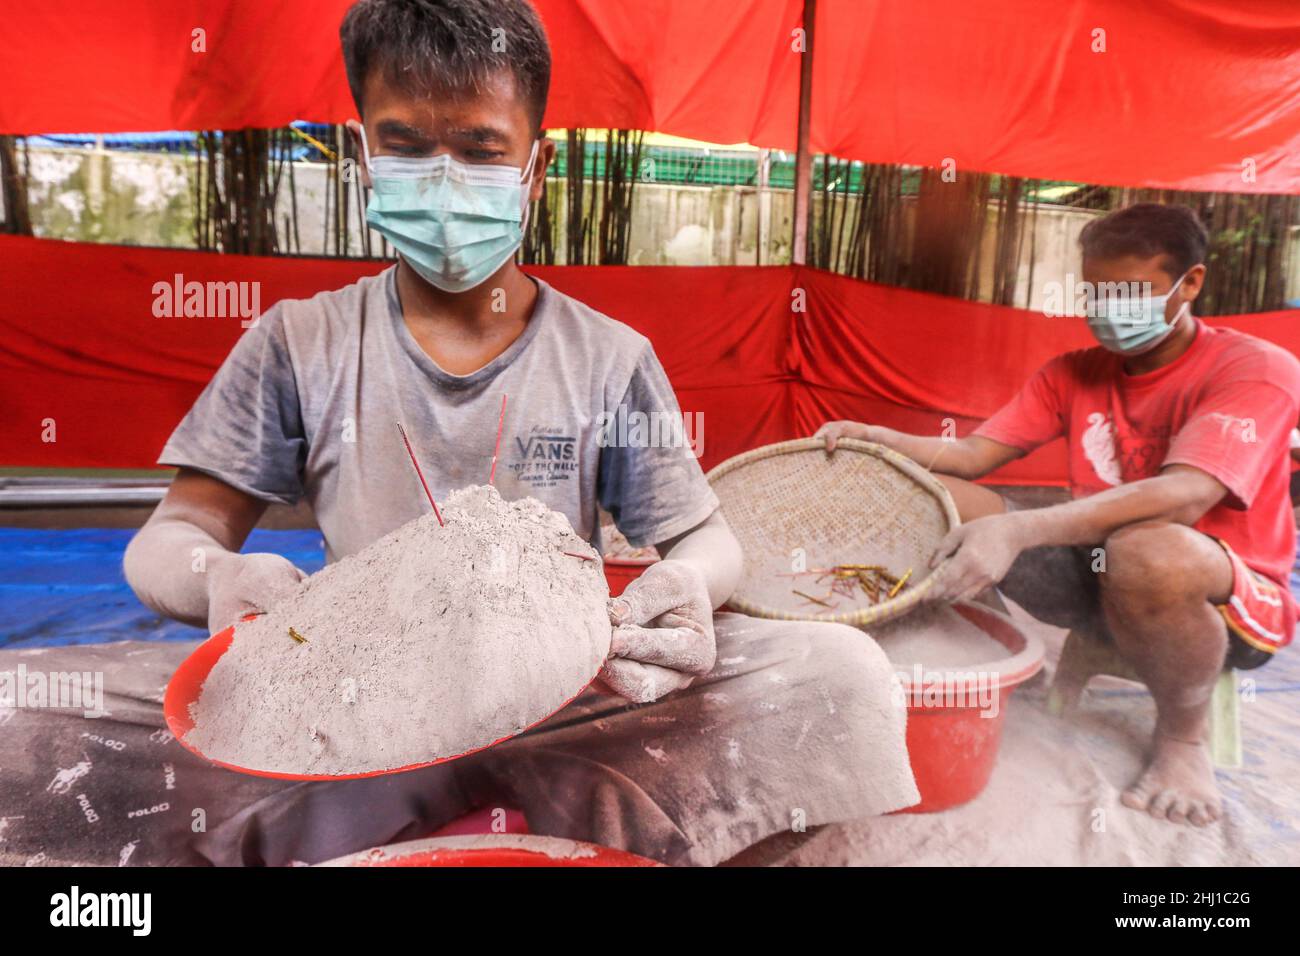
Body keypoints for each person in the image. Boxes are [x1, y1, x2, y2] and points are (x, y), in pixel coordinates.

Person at [117, 0, 916, 866]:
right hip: (361, 702)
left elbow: (704, 535)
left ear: (536, 169)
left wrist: (689, 579)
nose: (445, 180)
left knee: (842, 676)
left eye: (480, 149)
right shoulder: (297, 343)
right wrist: (217, 575)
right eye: (406, 146)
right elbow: (172, 534)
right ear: (362, 155)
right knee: (50, 715)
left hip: (573, 690)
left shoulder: (606, 356)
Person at [818, 203, 1300, 828]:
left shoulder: (1256, 370)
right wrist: (879, 438)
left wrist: (1017, 528)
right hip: (1097, 575)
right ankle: (987, 666)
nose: (1110, 309)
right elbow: (971, 456)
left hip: (1223, 600)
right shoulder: (1073, 372)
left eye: (1132, 292)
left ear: (1191, 283)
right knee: (937, 495)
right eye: (1097, 292)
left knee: (1147, 550)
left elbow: (1186, 495)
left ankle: (1183, 738)